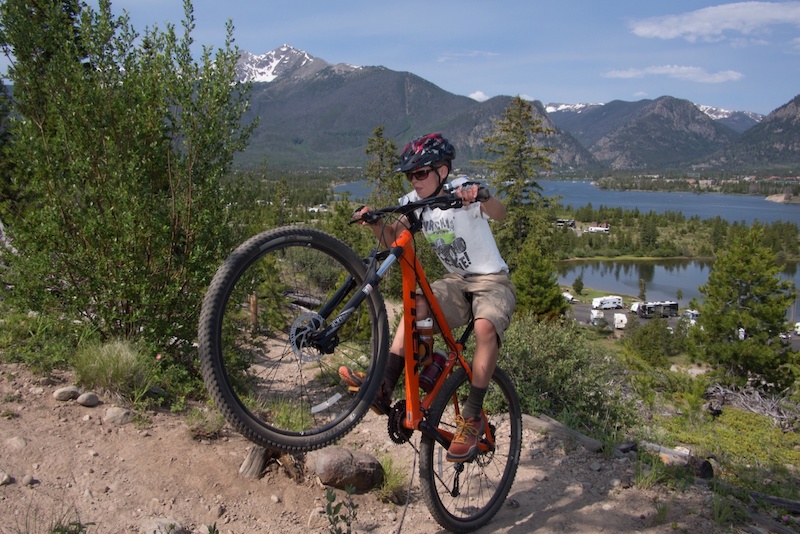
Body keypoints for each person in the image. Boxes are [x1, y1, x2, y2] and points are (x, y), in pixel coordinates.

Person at [339, 132, 516, 463]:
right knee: (415, 304)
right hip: (456, 282)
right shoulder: (415, 203)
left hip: (492, 281)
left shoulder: (462, 189)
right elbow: (395, 236)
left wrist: (481, 196)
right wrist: (375, 223)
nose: (415, 180)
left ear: (443, 171)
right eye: (411, 175)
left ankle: (473, 417)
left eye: (421, 173)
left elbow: (500, 212)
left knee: (484, 330)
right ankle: (385, 385)